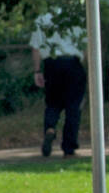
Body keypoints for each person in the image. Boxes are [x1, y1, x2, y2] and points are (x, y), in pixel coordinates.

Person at [30, 10, 87, 157]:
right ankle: (69, 147)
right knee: (73, 107)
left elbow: (36, 48)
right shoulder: (75, 17)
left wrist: (37, 71)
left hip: (52, 65)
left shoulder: (42, 19)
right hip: (72, 63)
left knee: (52, 104)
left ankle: (50, 128)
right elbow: (85, 45)